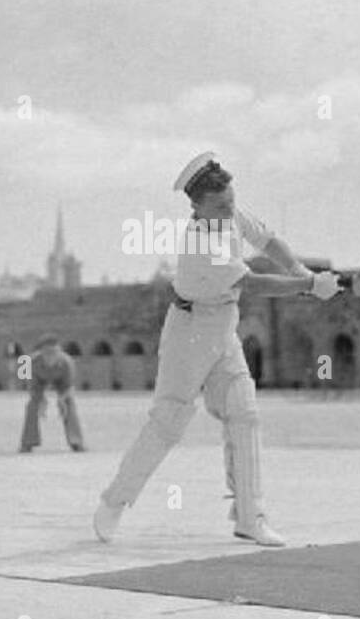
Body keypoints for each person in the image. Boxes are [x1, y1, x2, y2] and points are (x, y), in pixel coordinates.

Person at [92, 151, 341, 547]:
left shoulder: (230, 212)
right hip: (189, 332)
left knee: (244, 412)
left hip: (223, 326)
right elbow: (251, 283)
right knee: (168, 423)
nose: (230, 211)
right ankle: (114, 501)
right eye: (221, 206)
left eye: (231, 201)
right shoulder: (200, 243)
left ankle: (249, 518)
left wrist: (301, 271)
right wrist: (310, 287)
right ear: (196, 206)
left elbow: (269, 239)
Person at [19, 334, 86, 452]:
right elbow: (30, 386)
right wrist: (41, 401)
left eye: (54, 353)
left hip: (61, 381)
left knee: (69, 404)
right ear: (41, 352)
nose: (50, 357)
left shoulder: (68, 362)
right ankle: (28, 442)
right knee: (32, 406)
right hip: (38, 381)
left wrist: (61, 400)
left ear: (59, 353)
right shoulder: (28, 362)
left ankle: (76, 441)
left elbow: (70, 386)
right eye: (47, 353)